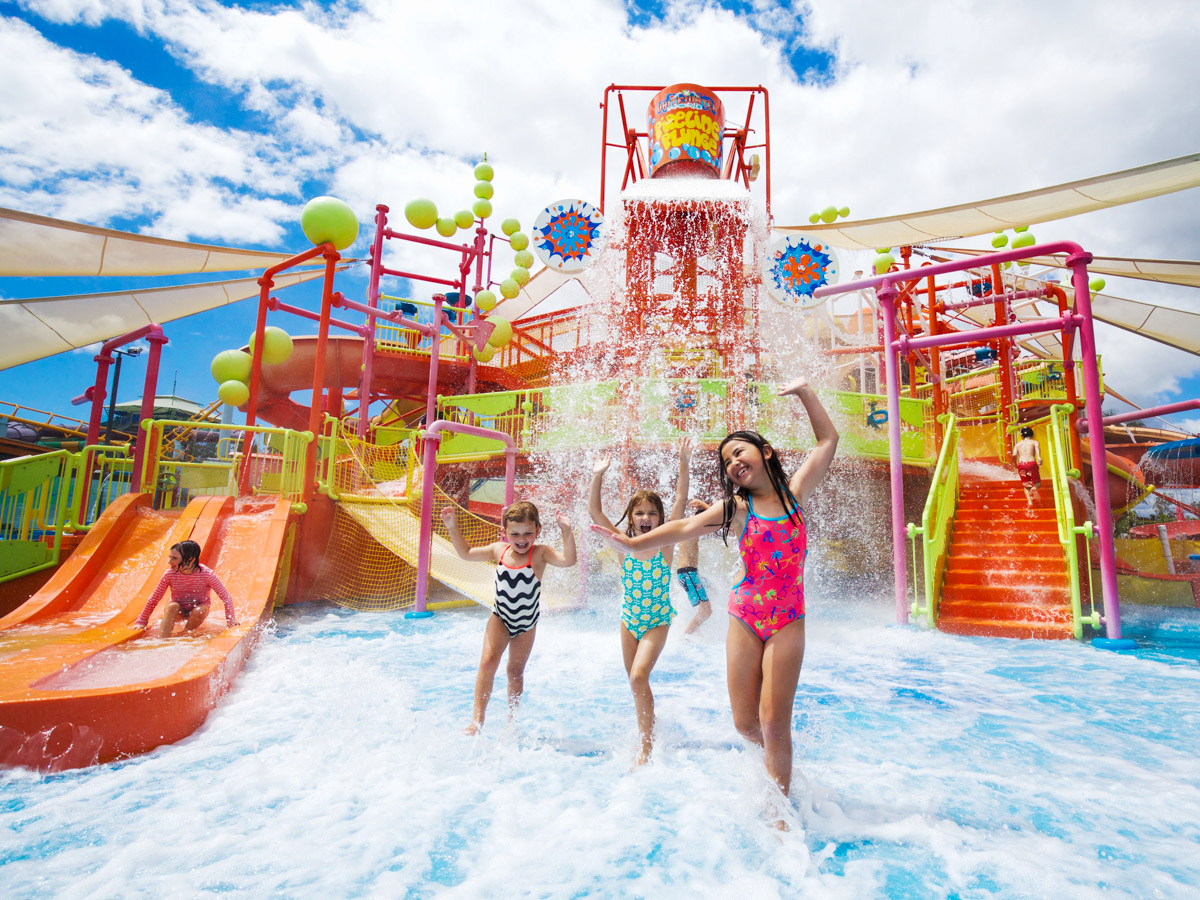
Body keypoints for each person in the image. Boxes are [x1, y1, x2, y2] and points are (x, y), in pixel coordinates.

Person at [591, 378, 837, 811]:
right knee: (746, 724)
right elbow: (682, 527)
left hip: (788, 618)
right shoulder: (737, 509)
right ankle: (776, 765)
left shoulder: (797, 495)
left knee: (774, 721)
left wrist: (802, 392)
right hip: (745, 616)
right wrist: (631, 544)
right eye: (726, 461)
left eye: (738, 452)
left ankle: (780, 807)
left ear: (766, 453)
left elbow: (827, 439)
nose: (732, 463)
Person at [589, 437, 692, 765]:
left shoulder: (665, 545)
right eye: (639, 513)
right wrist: (598, 475)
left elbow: (680, 501)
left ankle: (645, 749)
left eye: (651, 513)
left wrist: (684, 463)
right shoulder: (623, 545)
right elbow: (595, 511)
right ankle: (649, 729)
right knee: (635, 684)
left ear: (660, 519)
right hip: (628, 621)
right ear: (631, 518)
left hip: (657, 622)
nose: (645, 517)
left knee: (638, 677)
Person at [441, 500, 577, 735]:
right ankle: (477, 720)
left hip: (526, 624)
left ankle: (512, 720)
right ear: (505, 533)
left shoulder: (540, 553)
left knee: (515, 671)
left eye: (528, 533)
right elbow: (466, 553)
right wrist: (452, 526)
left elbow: (568, 560)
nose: (522, 539)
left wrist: (566, 531)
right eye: (515, 534)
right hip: (501, 618)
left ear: (538, 530)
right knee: (487, 663)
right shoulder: (498, 550)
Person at [133, 540, 239, 637]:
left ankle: (185, 633)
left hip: (197, 612)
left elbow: (226, 597)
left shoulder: (206, 574)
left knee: (201, 609)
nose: (169, 562)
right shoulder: (170, 574)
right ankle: (163, 638)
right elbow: (155, 597)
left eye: (174, 558)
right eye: (170, 557)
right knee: (172, 606)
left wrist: (230, 620)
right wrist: (141, 621)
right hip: (178, 611)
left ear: (190, 559)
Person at [676, 498, 713, 635]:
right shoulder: (693, 527)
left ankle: (695, 626)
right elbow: (720, 520)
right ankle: (686, 635)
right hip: (687, 574)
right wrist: (706, 507)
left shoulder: (693, 527)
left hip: (692, 573)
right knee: (707, 611)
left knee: (715, 591)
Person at [1013, 425, 1043, 508]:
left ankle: (1030, 502)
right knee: (1037, 483)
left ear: (1022, 436)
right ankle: (1034, 488)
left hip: (1021, 464)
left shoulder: (1018, 444)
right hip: (1031, 463)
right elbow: (1037, 453)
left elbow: (1014, 454)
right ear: (1032, 435)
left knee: (1026, 485)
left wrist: (1014, 464)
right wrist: (1039, 459)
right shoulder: (1035, 442)